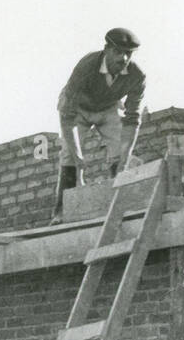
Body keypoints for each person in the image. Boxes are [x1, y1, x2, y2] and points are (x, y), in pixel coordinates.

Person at [53, 27, 146, 224]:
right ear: (106, 49)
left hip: (108, 107)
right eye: (117, 52)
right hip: (78, 108)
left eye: (128, 53)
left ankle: (118, 205)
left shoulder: (137, 76)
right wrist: (78, 159)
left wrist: (125, 157)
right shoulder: (87, 66)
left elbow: (132, 119)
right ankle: (60, 212)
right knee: (69, 155)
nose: (123, 58)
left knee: (120, 153)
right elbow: (67, 117)